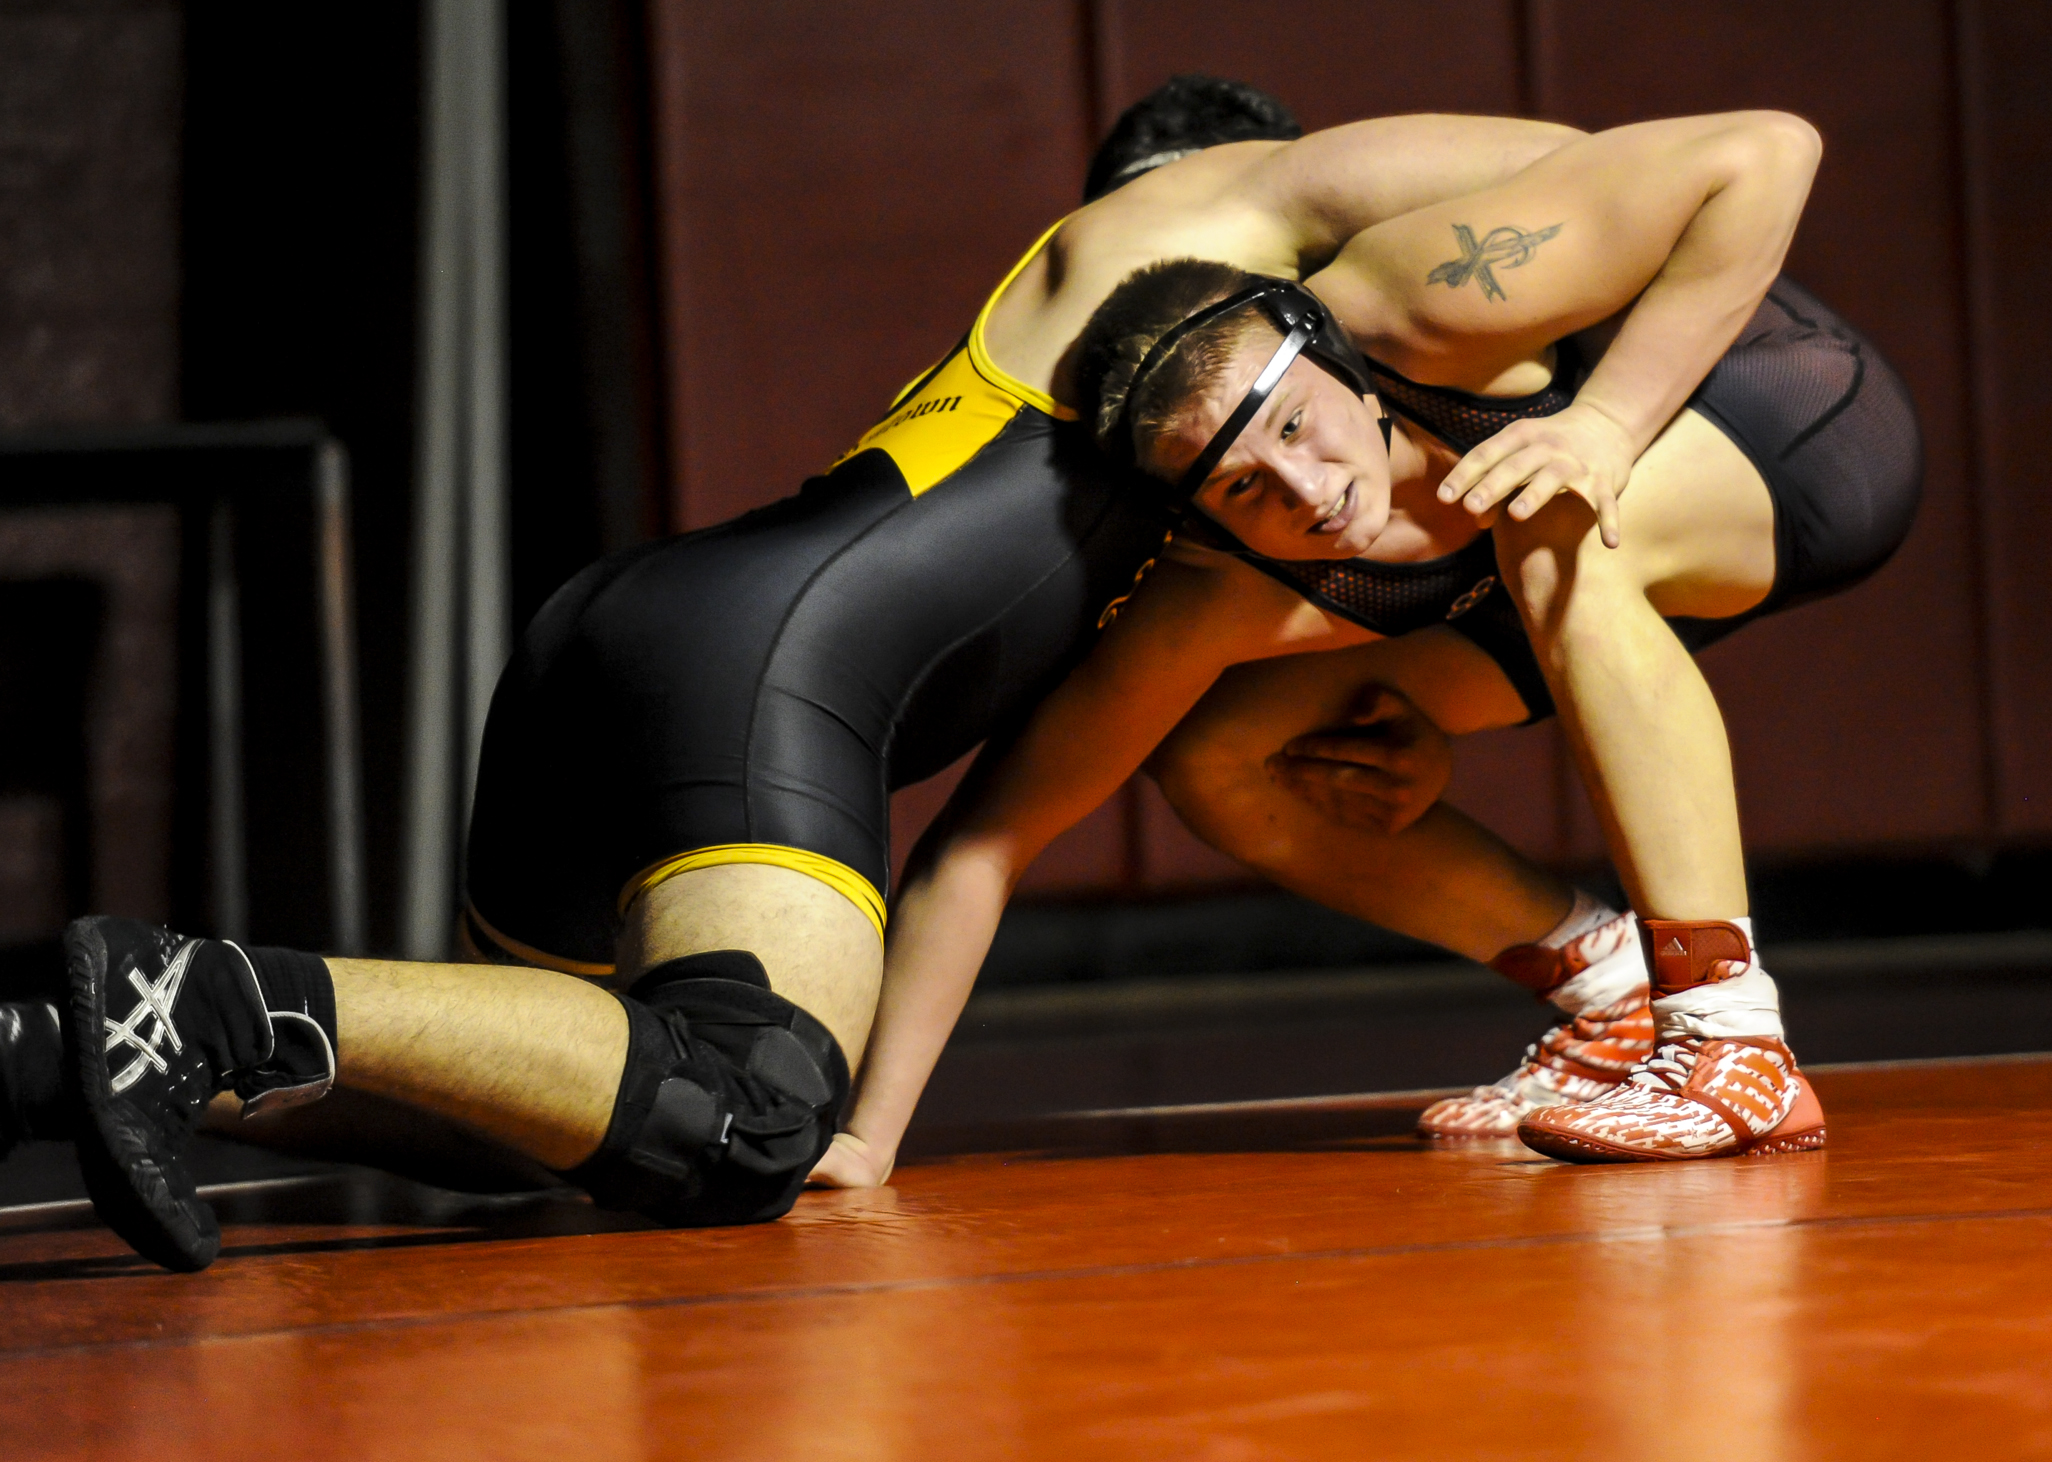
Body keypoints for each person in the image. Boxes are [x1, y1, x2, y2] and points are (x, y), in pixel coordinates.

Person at [0, 82, 1612, 1271]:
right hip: (759, 667)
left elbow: (992, 834)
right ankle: (192, 993)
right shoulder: (1186, 232)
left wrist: (878, 1127)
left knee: (536, 1110)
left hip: (631, 635)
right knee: (742, 1106)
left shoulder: (1182, 509)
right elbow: (1629, 183)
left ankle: (36, 1045)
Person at [818, 108, 1919, 1183]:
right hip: (1569, 595)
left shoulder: (1415, 296)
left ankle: (1729, 1040)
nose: (1311, 491)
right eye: (1248, 483)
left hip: (1788, 438)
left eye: (1298, 427)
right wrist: (867, 1138)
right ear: (1198, 510)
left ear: (1331, 358)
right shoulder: (1210, 581)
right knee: (1214, 752)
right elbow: (984, 843)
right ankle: (1614, 995)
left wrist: (1607, 424)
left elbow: (1771, 149)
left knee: (1546, 522)